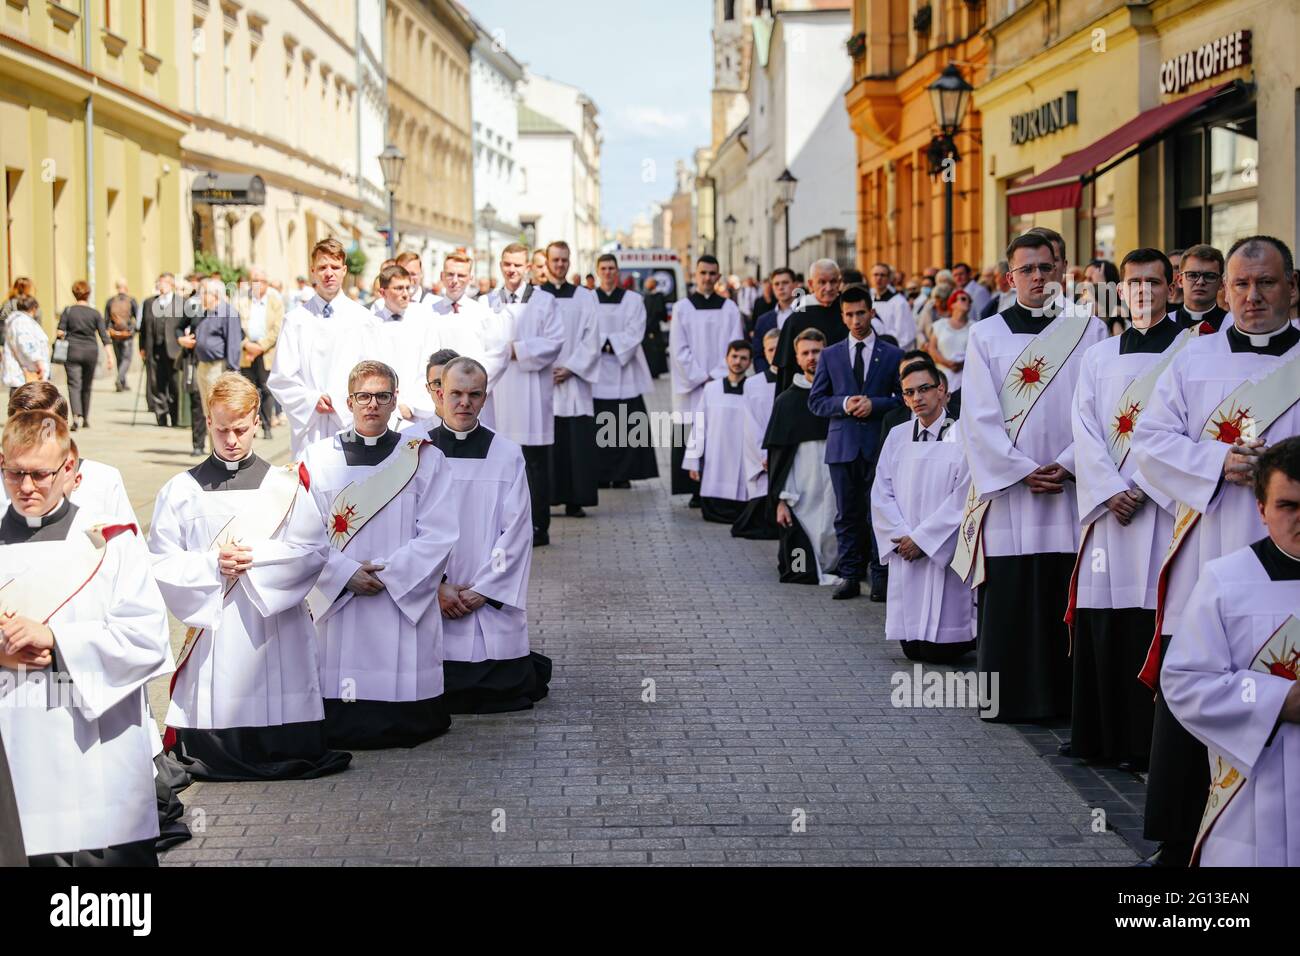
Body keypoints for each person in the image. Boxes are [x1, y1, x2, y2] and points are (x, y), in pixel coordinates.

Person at [1133, 235, 1300, 867]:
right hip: (1213, 556)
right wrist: (1215, 461)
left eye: (1267, 283)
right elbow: (1148, 444)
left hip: (1294, 568)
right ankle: (1182, 842)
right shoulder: (1190, 361)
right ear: (1223, 290)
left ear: (1292, 287)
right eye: (1241, 285)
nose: (1253, 296)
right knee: (1200, 687)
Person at [149, 373, 350, 781]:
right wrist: (211, 566)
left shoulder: (286, 485)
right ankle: (212, 748)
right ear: (208, 422)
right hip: (215, 626)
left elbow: (314, 552)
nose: (232, 439)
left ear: (257, 422)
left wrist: (254, 558)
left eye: (241, 429)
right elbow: (159, 561)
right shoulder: (180, 490)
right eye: (222, 429)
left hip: (274, 623)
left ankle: (282, 745)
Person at [0, 410, 171, 865]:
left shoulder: (111, 542)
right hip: (14, 752)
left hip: (95, 753)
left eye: (40, 474)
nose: (27, 487)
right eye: (14, 473)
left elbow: (148, 638)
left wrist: (56, 639)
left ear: (70, 470)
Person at [953, 232, 1107, 722]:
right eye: (1028, 270)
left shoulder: (1089, 330)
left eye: (1046, 267)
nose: (1038, 278)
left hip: (1069, 484)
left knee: (1066, 588)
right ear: (1009, 278)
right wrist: (1020, 471)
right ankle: (1012, 699)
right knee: (1014, 594)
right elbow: (976, 415)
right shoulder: (986, 334)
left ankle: (1066, 702)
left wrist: (1068, 462)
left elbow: (1097, 410)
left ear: (1062, 270)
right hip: (1012, 492)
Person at [1065, 248, 1184, 771]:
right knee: (1106, 623)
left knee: (1149, 617)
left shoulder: (1189, 352)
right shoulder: (1099, 356)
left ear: (1170, 287)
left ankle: (1144, 744)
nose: (1142, 292)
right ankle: (1101, 737)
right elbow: (1084, 427)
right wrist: (1108, 488)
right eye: (1132, 283)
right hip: (1109, 513)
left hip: (1157, 510)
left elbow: (1186, 428)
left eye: (1153, 283)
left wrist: (1139, 485)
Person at [302, 360, 458, 748]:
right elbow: (301, 532)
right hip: (341, 598)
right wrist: (343, 574)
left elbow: (440, 531)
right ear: (349, 401)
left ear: (394, 401)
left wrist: (390, 573)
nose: (372, 405)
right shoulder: (317, 459)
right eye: (364, 396)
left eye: (382, 396)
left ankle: (404, 720)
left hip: (399, 596)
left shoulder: (424, 458)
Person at [1162, 437, 1300, 866]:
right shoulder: (1227, 581)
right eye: (1288, 506)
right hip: (1255, 800)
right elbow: (1187, 683)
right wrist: (1275, 700)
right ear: (1261, 510)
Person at [428, 357, 551, 713]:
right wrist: (435, 586)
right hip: (433, 595)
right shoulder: (414, 449)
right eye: (455, 393)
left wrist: (484, 590)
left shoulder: (507, 453)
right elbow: (403, 531)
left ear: (485, 398)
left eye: (474, 395)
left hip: (486, 598)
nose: (464, 403)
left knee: (497, 689)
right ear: (439, 394)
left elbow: (517, 532)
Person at [871, 362, 973, 663]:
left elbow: (964, 496)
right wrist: (902, 536)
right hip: (905, 546)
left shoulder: (963, 435)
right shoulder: (897, 436)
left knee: (940, 649)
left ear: (942, 390)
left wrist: (925, 540)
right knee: (913, 649)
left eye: (924, 389)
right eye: (909, 392)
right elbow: (881, 491)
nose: (917, 397)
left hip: (942, 549)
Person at [808, 284, 904, 602]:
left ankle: (880, 576)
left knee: (877, 512)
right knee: (846, 513)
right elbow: (817, 401)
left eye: (861, 313)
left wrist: (874, 405)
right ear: (842, 316)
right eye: (849, 314)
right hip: (843, 445)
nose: (856, 320)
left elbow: (903, 400)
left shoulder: (892, 354)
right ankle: (850, 574)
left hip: (878, 445)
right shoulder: (830, 355)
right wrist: (847, 403)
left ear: (872, 311)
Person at [269, 238, 376, 457]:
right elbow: (281, 377)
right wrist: (311, 400)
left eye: (335, 267)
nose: (329, 273)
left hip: (350, 420)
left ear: (344, 270)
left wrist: (342, 400)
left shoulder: (363, 319)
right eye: (322, 267)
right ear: (313, 271)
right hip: (311, 426)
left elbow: (373, 373)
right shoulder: (295, 320)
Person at [488, 244, 562, 547]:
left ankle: (537, 526)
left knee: (534, 464)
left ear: (528, 267)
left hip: (532, 394)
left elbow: (556, 340)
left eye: (517, 265)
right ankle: (502, 529)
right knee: (500, 464)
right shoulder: (488, 302)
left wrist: (519, 349)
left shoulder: (545, 301)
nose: (512, 271)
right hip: (499, 393)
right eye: (507, 264)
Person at [765, 328, 837, 585]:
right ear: (796, 358)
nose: (812, 358)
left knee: (832, 530)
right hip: (801, 488)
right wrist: (780, 501)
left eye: (817, 351)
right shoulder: (786, 402)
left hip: (833, 481)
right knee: (799, 556)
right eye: (805, 353)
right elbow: (778, 459)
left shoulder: (838, 395)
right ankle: (808, 570)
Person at [670, 256, 744, 502]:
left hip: (720, 382)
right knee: (692, 430)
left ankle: (716, 488)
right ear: (695, 274)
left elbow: (736, 345)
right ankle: (693, 490)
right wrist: (701, 376)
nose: (707, 278)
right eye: (703, 273)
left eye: (712, 273)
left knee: (718, 434)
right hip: (692, 385)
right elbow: (678, 349)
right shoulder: (682, 308)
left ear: (719, 276)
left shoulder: (730, 308)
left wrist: (717, 376)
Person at [541, 241, 602, 518]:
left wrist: (571, 368)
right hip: (544, 379)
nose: (560, 265)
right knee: (549, 444)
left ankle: (576, 499)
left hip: (574, 379)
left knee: (575, 444)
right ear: (546, 261)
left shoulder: (584, 296)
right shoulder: (535, 296)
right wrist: (546, 367)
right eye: (555, 260)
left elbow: (593, 336)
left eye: (564, 260)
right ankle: (549, 498)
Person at [592, 254, 658, 489]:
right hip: (597, 372)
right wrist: (604, 343)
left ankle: (623, 474)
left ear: (617, 272)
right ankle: (599, 472)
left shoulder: (633, 299)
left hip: (625, 370)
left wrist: (608, 344)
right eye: (604, 268)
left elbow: (636, 330)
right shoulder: (588, 299)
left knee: (625, 425)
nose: (608, 272)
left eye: (612, 268)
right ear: (598, 271)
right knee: (598, 425)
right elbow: (584, 330)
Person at [683, 340, 758, 523]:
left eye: (743, 358)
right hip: (715, 459)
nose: (737, 362)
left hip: (742, 459)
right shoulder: (711, 388)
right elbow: (699, 426)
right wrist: (693, 462)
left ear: (749, 362)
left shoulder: (755, 390)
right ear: (726, 358)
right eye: (734, 356)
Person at [731, 328, 780, 540]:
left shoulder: (795, 380)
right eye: (770, 349)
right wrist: (764, 454)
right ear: (764, 352)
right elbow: (751, 424)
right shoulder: (753, 383)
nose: (775, 353)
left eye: (779, 348)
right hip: (763, 453)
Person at [773, 259, 847, 392]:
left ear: (840, 282)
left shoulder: (849, 312)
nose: (828, 288)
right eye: (822, 282)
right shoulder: (797, 318)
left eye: (833, 281)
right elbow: (786, 367)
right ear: (811, 284)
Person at [186, 278, 243, 446]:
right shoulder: (206, 311)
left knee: (218, 413)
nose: (201, 296)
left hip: (218, 367)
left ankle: (221, 451)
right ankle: (214, 452)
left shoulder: (228, 312)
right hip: (203, 366)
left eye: (204, 293)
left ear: (215, 295)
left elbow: (233, 343)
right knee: (208, 413)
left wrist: (232, 372)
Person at [56, 279, 114, 430]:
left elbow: (60, 332)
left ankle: (76, 416)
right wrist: (110, 356)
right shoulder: (95, 313)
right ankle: (86, 418)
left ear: (74, 294)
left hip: (72, 351)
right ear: (88, 294)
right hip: (90, 352)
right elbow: (104, 336)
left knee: (74, 384)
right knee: (87, 386)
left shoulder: (68, 311)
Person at [237, 266, 283, 441]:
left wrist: (260, 347)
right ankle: (250, 427)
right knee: (248, 390)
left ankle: (266, 425)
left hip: (265, 353)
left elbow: (278, 328)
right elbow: (237, 325)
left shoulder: (275, 301)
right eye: (254, 281)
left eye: (261, 281)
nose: (258, 284)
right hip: (246, 352)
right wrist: (247, 344)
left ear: (267, 284)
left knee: (266, 389)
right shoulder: (242, 301)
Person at [140, 272, 187, 427]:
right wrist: (142, 347)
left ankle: (174, 417)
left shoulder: (181, 302)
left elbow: (186, 325)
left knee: (174, 384)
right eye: (159, 282)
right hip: (154, 349)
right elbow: (144, 328)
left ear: (172, 285)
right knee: (156, 383)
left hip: (174, 349)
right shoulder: (149, 303)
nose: (161, 286)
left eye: (165, 283)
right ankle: (161, 416)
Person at [1172, 243, 1229, 334]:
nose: (1200, 282)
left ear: (1221, 283)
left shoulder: (1233, 324)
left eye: (1210, 276)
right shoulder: (1165, 323)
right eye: (1193, 275)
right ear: (1180, 280)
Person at [750, 268, 798, 374]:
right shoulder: (763, 320)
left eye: (785, 283)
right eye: (776, 284)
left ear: (795, 285)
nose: (781, 287)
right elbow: (758, 354)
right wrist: (767, 376)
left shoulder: (805, 315)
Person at [926, 290, 972, 396]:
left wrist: (962, 364)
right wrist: (947, 363)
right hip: (942, 376)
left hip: (966, 377)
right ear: (952, 304)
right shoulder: (940, 325)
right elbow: (932, 348)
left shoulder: (974, 326)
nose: (967, 302)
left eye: (969, 300)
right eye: (963, 299)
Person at [3, 295, 49, 392]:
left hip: (22, 376)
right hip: (25, 376)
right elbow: (27, 345)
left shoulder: (17, 321)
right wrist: (39, 362)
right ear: (33, 308)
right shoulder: (22, 322)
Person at [868, 262, 917, 350]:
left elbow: (905, 335)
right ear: (871, 277)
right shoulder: (868, 301)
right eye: (875, 275)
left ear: (889, 278)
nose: (879, 278)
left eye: (882, 275)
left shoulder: (899, 302)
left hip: (891, 350)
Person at [104, 283, 137, 392]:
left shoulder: (111, 301)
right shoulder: (131, 300)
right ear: (126, 289)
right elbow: (137, 318)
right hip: (127, 335)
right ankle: (119, 379)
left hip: (114, 335)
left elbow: (106, 319)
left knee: (120, 359)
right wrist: (132, 330)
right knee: (127, 359)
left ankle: (123, 382)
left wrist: (109, 331)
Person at [640, 276, 669, 377]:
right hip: (647, 329)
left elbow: (661, 314)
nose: (645, 285)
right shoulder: (646, 297)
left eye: (648, 282)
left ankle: (655, 371)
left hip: (654, 329)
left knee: (656, 352)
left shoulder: (658, 297)